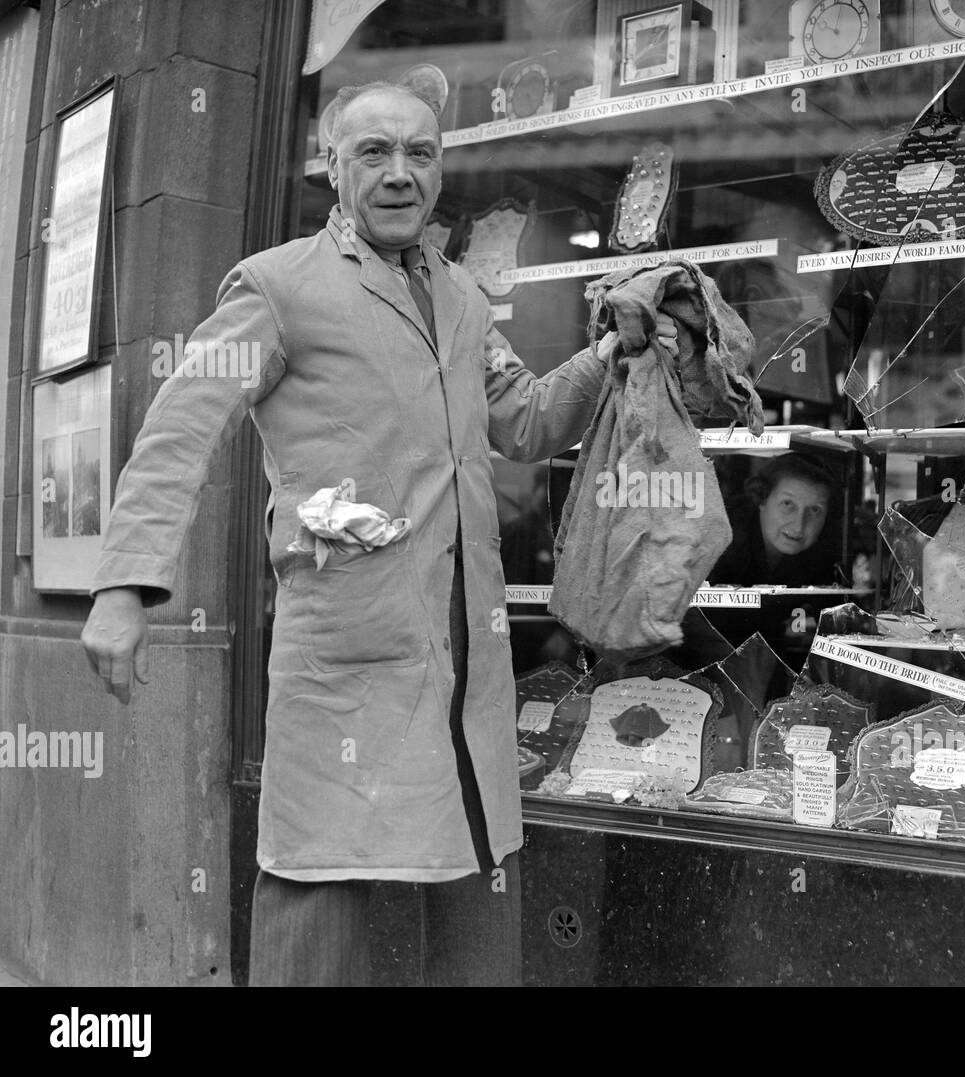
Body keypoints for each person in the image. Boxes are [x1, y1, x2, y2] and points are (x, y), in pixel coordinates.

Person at [79, 80, 677, 986]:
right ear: (331, 165)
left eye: (421, 154)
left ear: (440, 168)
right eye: (373, 153)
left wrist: (606, 352)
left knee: (478, 876)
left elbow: (523, 425)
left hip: (465, 649)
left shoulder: (466, 297)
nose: (400, 174)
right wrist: (124, 586)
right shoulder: (278, 288)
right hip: (349, 650)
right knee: (319, 880)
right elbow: (180, 425)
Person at [708, 453, 838, 587]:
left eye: (814, 510)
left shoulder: (831, 550)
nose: (799, 526)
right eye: (787, 504)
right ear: (761, 498)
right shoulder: (719, 536)